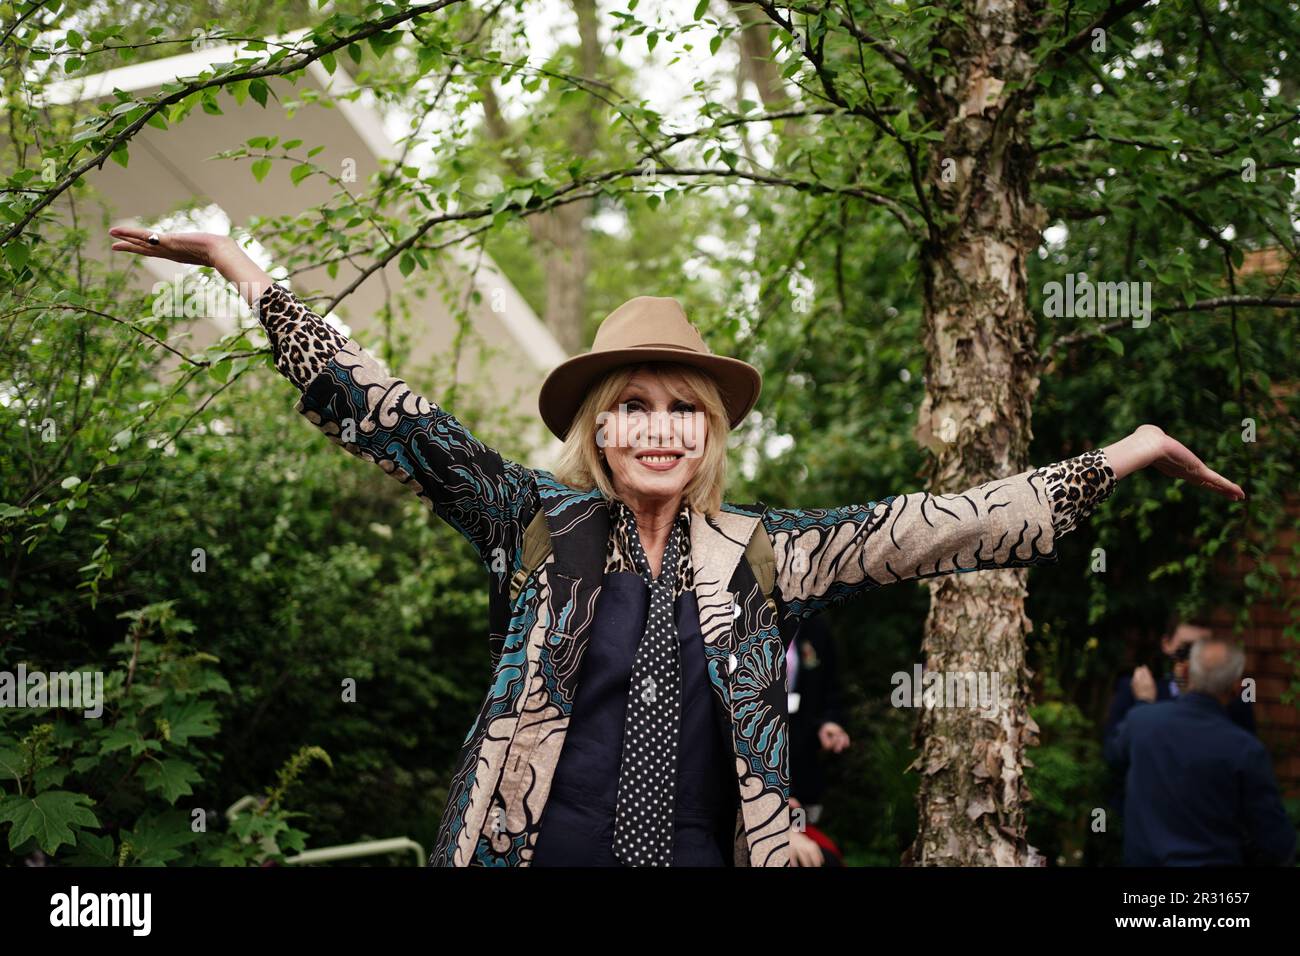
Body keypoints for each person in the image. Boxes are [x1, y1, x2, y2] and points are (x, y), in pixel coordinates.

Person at [110, 226, 1246, 867]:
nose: (659, 426)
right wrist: (238, 268)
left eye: (683, 407)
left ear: (710, 429)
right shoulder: (536, 525)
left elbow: (932, 529)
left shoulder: (759, 552)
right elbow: (392, 415)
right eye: (634, 402)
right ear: (597, 422)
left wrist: (1123, 451)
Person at [1104, 635, 1296, 866]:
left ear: (1184, 673)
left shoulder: (1142, 722)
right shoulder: (1245, 750)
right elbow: (1277, 841)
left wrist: (1144, 704)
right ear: (1236, 686)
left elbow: (1114, 758)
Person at [785, 615, 850, 867]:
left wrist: (830, 722)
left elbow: (831, 690)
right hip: (752, 775)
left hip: (799, 767)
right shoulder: (740, 616)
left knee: (818, 853)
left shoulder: (814, 625)